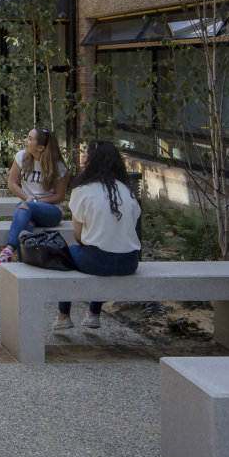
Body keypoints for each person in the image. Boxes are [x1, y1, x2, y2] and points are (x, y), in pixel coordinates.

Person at [54, 140, 142, 330]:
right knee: (102, 247)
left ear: (91, 162)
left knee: (68, 254)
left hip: (98, 261)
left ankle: (63, 316)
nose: (82, 158)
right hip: (129, 262)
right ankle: (93, 315)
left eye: (85, 155)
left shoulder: (82, 191)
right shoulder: (128, 191)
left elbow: (78, 236)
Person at [0, 128, 70, 267]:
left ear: (41, 148)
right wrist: (28, 199)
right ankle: (24, 266)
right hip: (27, 208)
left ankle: (9, 249)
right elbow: (12, 183)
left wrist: (34, 202)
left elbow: (59, 196)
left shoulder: (58, 166)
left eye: (30, 139)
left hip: (51, 211)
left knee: (23, 207)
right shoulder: (22, 157)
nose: (25, 141)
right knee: (25, 227)